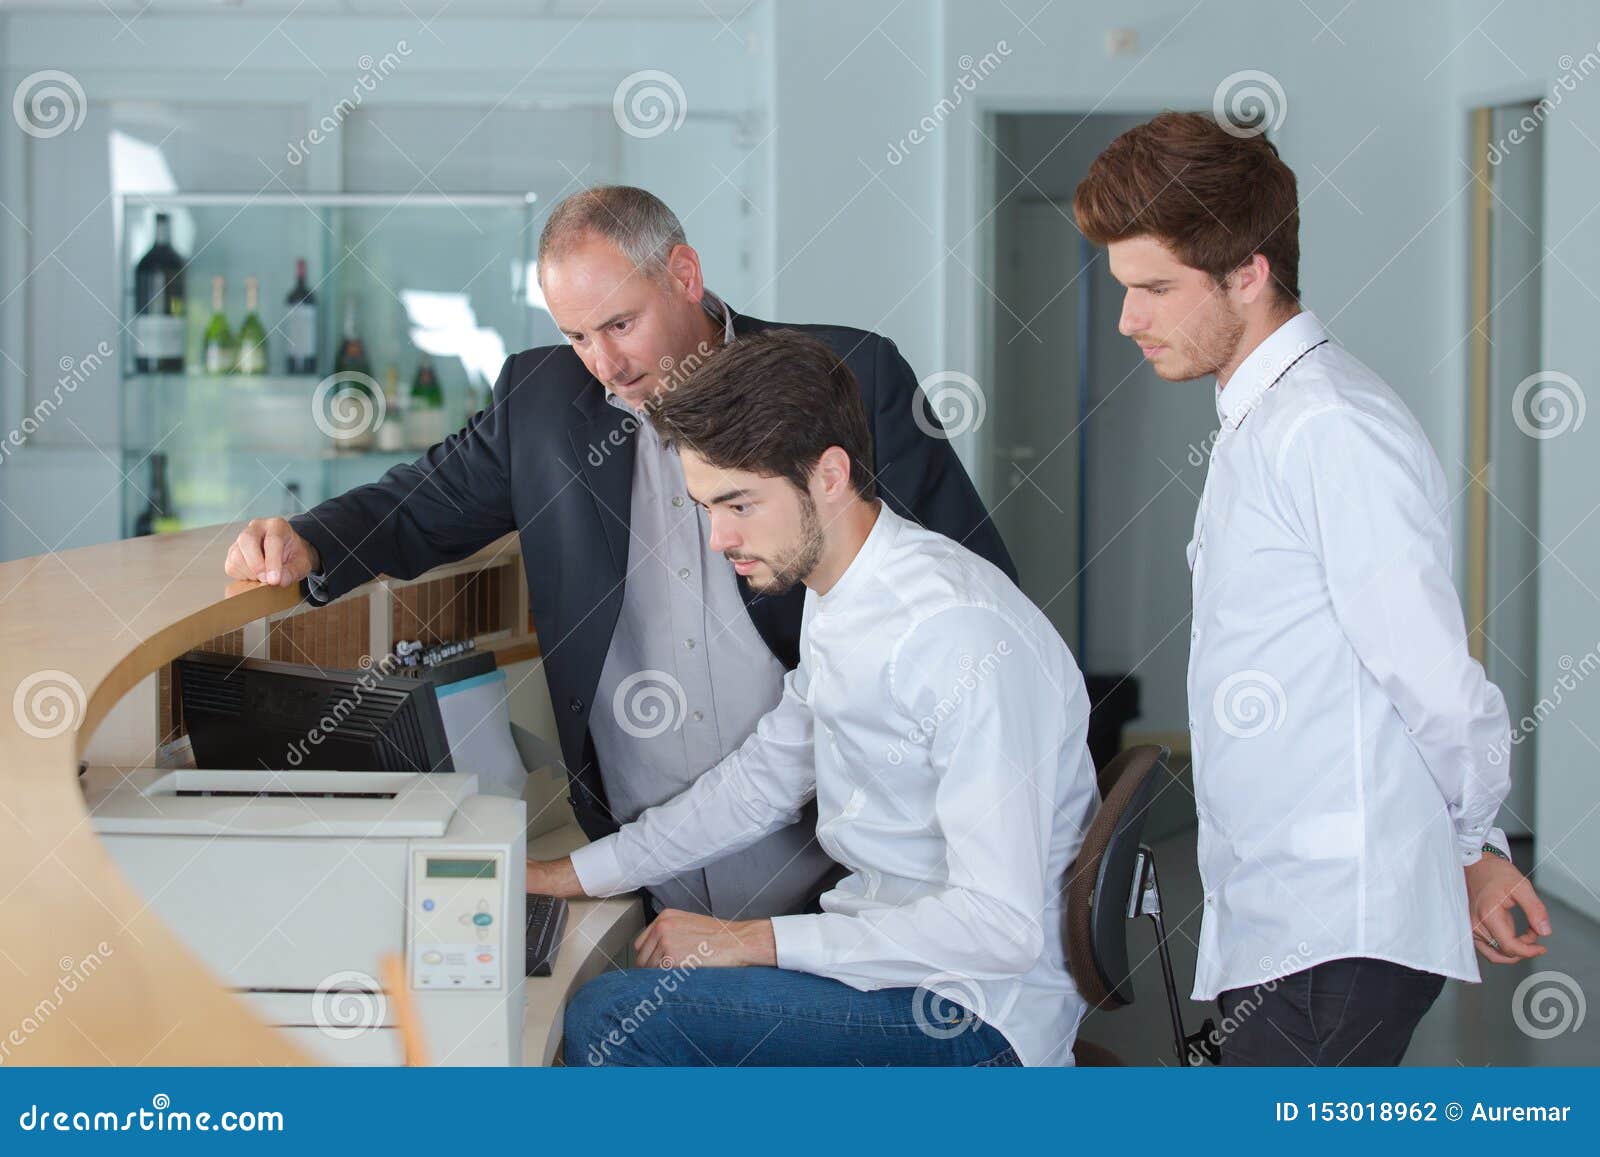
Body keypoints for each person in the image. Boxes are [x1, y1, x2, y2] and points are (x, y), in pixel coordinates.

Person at [222, 186, 1014, 922]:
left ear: (685, 274)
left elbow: (964, 586)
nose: (602, 362)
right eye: (575, 335)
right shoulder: (538, 402)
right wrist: (311, 537)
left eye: (620, 324)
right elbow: (426, 501)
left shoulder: (844, 376)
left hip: (832, 846)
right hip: (640, 859)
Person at [1073, 111, 1552, 1065]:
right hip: (1292, 914)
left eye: (1156, 288)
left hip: (1339, 928)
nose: (1129, 318)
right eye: (1124, 288)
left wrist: (1473, 841)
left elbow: (1432, 675)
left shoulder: (1328, 429)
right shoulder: (1265, 418)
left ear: (1248, 273)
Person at [527, 330, 1099, 1067]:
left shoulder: (952, 632)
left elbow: (1000, 926)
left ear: (829, 475)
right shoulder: (842, 593)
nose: (716, 539)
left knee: (618, 1018)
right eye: (705, 506)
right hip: (900, 961)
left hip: (977, 1014)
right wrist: (567, 875)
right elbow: (759, 782)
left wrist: (750, 939)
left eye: (738, 505)